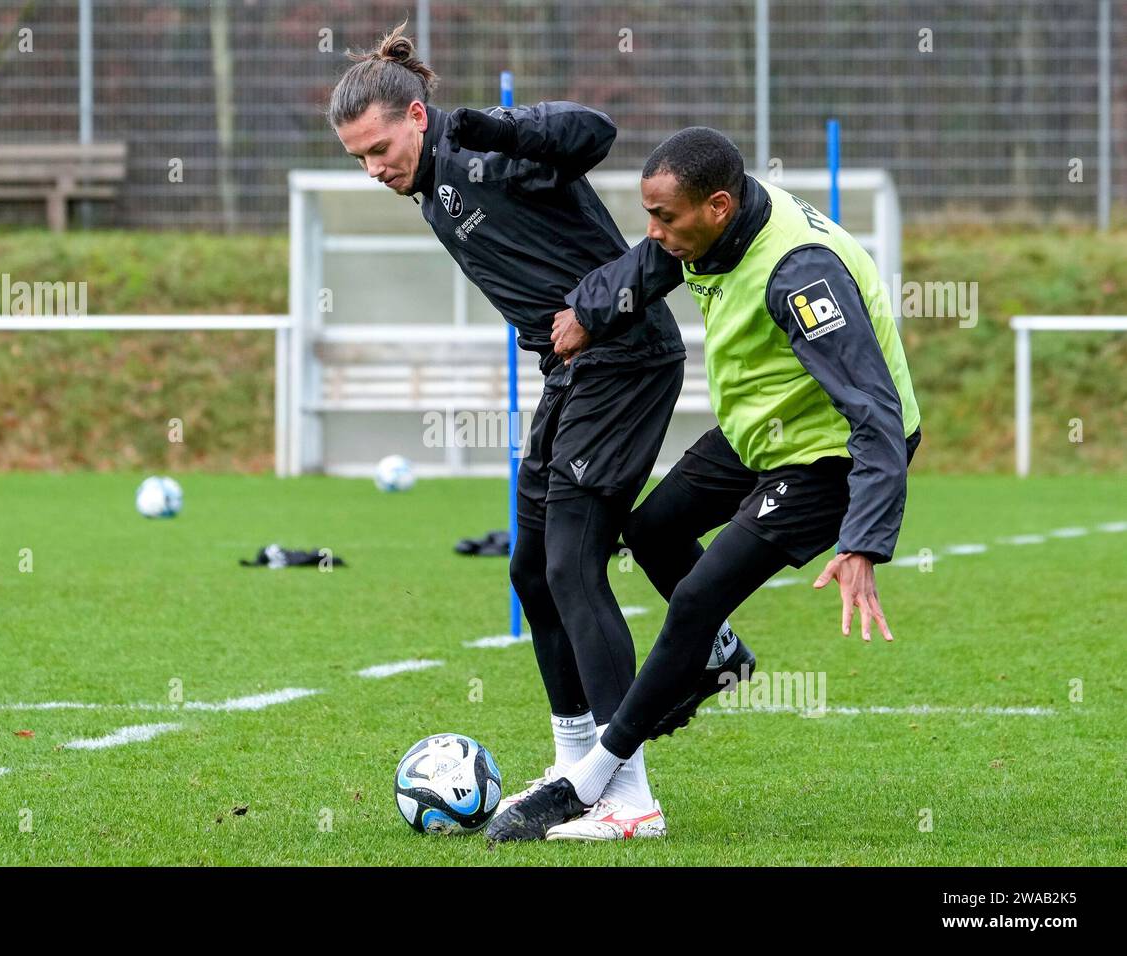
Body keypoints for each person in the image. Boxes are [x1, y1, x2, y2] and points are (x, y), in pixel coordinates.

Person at [327, 24, 753, 836]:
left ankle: (627, 798)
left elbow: (593, 131)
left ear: (417, 116)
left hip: (624, 362)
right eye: (358, 159)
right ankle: (579, 755)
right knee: (531, 571)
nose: (374, 168)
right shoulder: (428, 183)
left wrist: (501, 125)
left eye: (379, 146)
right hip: (570, 377)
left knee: (572, 565)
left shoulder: (482, 148)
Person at [486, 126, 922, 842]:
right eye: (649, 213)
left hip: (832, 455)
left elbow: (873, 412)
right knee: (652, 531)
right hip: (766, 428)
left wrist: (865, 541)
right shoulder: (712, 228)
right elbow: (644, 267)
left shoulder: (799, 276)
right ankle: (718, 659)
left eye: (666, 217)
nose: (654, 230)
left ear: (718, 204)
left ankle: (596, 785)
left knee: (695, 598)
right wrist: (587, 317)